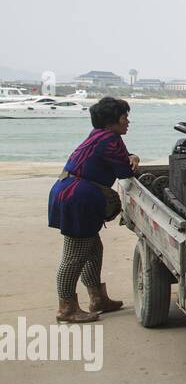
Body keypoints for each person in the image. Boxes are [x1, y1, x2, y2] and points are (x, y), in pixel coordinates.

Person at [47, 96, 140, 322]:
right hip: (78, 197)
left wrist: (128, 157)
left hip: (69, 191)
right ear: (112, 122)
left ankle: (98, 299)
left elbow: (113, 161)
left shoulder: (99, 136)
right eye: (124, 117)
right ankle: (67, 307)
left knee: (93, 250)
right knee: (74, 255)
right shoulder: (111, 139)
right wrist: (133, 158)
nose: (127, 121)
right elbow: (124, 172)